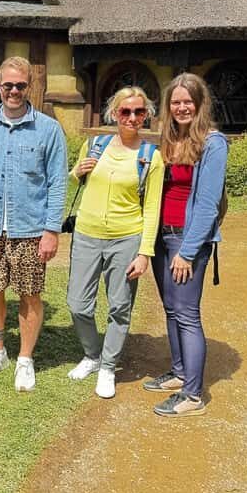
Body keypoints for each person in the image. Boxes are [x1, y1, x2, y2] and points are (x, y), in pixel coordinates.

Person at [0, 57, 67, 392]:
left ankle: (25, 358)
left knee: (29, 294)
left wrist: (51, 230)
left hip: (31, 229)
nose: (13, 91)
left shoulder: (48, 129)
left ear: (29, 87)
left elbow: (57, 182)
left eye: (20, 85)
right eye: (7, 85)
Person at [66, 86, 162, 399]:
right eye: (125, 111)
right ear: (114, 113)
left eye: (139, 111)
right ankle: (92, 355)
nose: (132, 117)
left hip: (126, 237)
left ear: (146, 115)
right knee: (78, 304)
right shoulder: (94, 145)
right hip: (87, 234)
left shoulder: (151, 157)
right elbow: (75, 179)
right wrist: (76, 171)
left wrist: (145, 253)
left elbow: (152, 209)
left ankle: (107, 367)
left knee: (119, 306)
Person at [146, 74, 227, 417]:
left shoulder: (213, 143)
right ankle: (179, 372)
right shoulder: (169, 139)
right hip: (161, 235)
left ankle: (193, 395)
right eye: (176, 102)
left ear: (199, 104)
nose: (181, 108)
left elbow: (208, 205)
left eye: (187, 102)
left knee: (187, 313)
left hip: (186, 238)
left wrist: (188, 252)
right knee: (171, 308)